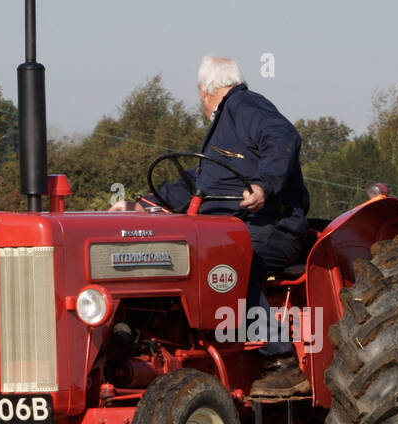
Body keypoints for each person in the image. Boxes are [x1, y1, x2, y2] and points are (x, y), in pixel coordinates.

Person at [111, 56, 311, 398]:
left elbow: (283, 137)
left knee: (227, 258)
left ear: (204, 92)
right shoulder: (226, 129)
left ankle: (282, 360)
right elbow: (199, 181)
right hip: (236, 226)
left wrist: (264, 186)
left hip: (272, 227)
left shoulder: (245, 106)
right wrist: (144, 204)